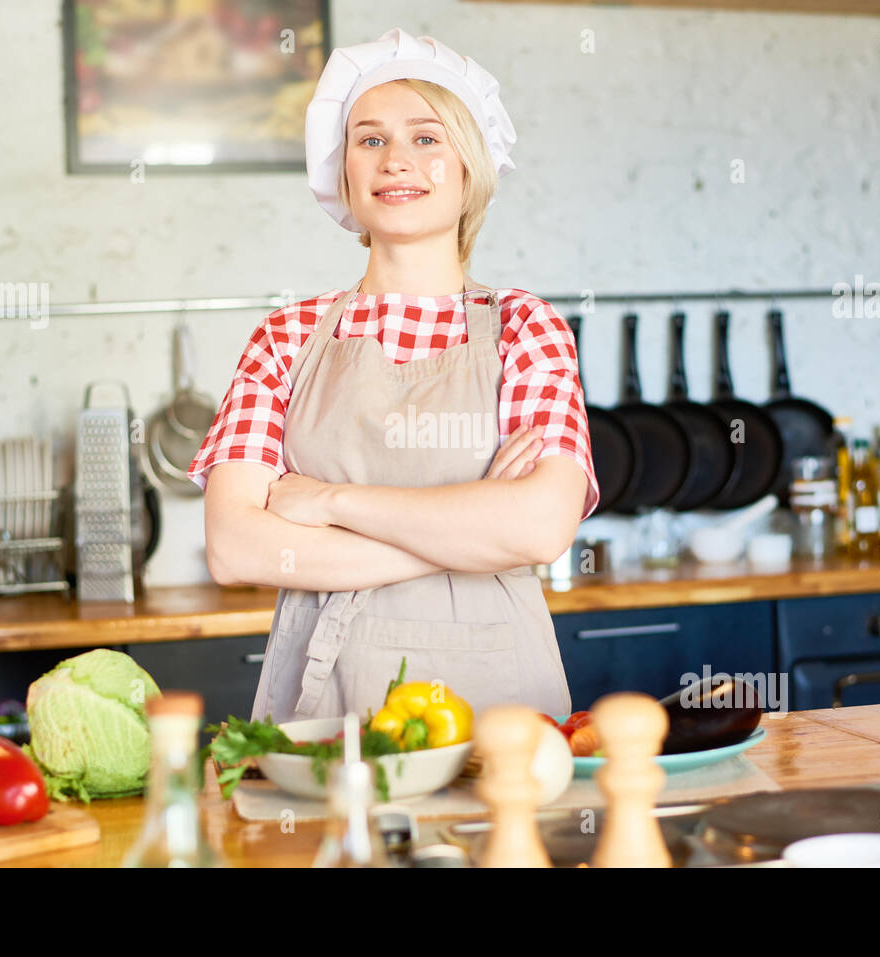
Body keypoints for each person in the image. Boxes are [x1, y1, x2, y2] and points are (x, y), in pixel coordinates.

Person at [188, 27, 599, 722]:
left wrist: (328, 503)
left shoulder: (526, 327)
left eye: (427, 138)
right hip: (323, 709)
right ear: (344, 171)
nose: (395, 160)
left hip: (501, 715)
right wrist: (465, 532)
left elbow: (538, 527)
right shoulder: (286, 336)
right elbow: (234, 547)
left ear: (470, 167)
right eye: (370, 140)